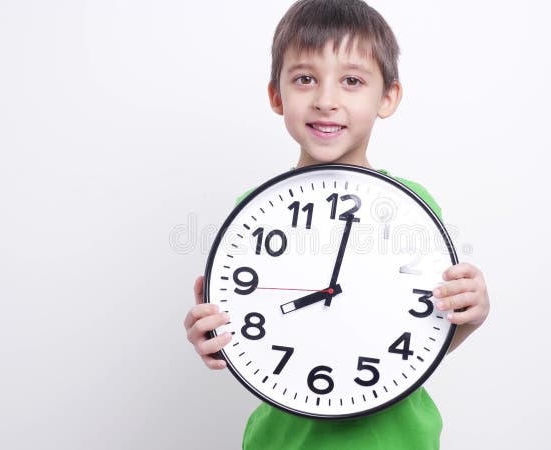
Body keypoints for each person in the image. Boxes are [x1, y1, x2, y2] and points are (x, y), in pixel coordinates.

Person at [184, 1, 491, 448]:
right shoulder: (251, 211)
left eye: (351, 81)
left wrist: (470, 313)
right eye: (305, 79)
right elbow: (249, 335)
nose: (327, 101)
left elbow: (424, 337)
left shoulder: (414, 206)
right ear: (277, 96)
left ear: (387, 97)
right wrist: (214, 336)